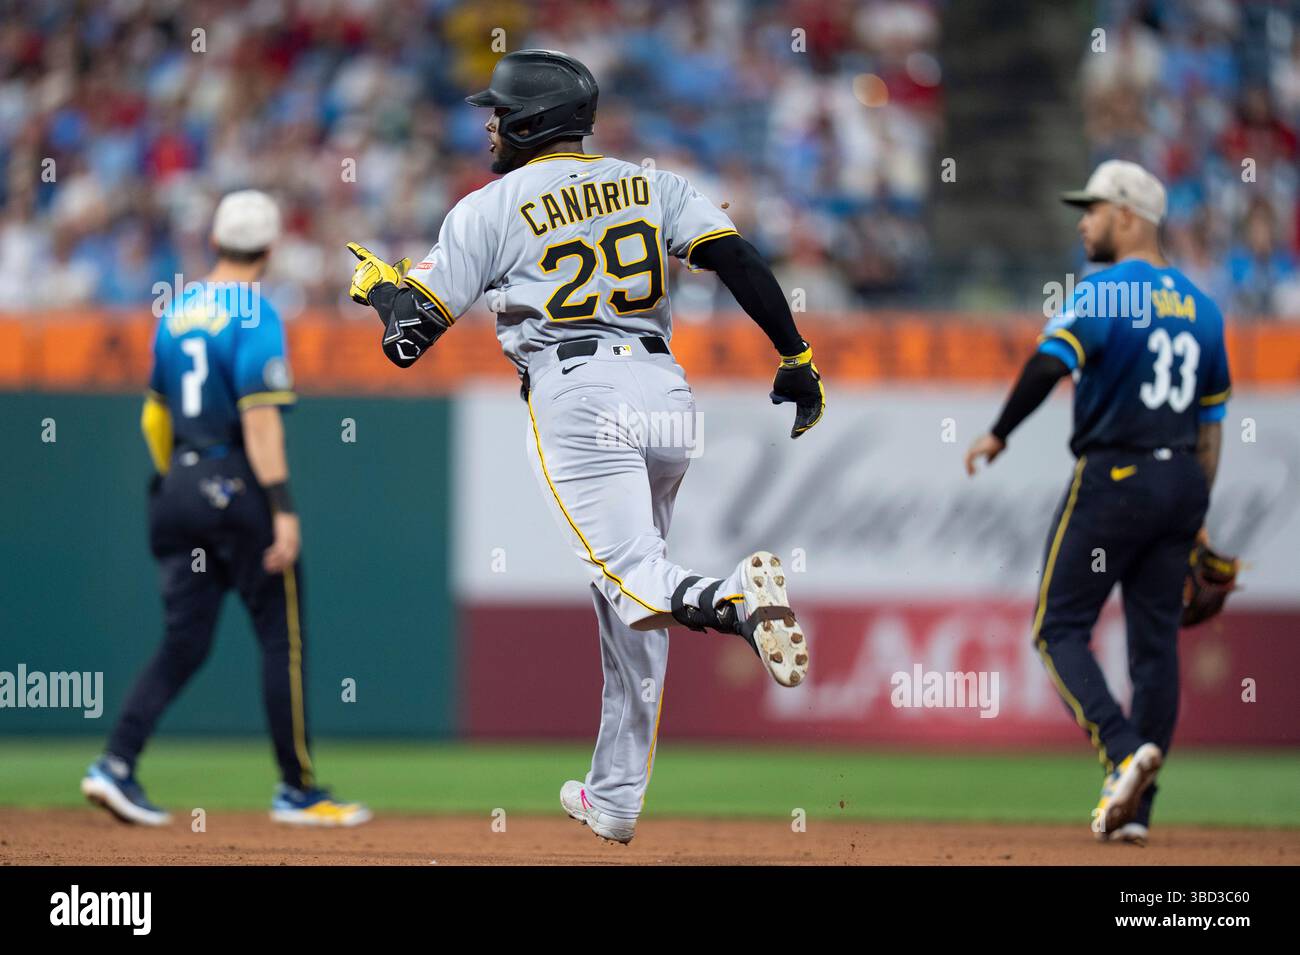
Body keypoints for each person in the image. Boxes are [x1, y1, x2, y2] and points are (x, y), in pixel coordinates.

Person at [345, 50, 825, 845]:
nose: (489, 124)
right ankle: (615, 797)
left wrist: (381, 290)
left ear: (533, 124)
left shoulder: (489, 207)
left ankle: (735, 598)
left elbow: (408, 341)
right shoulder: (651, 181)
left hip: (577, 390)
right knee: (628, 603)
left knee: (632, 578)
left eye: (499, 113)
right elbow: (736, 257)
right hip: (666, 394)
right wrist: (797, 356)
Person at [81, 190, 371, 828]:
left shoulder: (176, 310)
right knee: (280, 637)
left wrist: (178, 481)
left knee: (184, 641)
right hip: (237, 484)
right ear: (268, 249)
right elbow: (260, 419)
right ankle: (296, 789)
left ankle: (115, 763)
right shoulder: (256, 313)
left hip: (178, 484)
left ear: (214, 242)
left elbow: (153, 414)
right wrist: (284, 508)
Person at [965, 161, 1231, 845]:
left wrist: (1000, 430)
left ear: (1129, 217)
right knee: (1155, 647)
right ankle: (1138, 810)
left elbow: (1050, 361)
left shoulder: (1109, 293)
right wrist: (1195, 513)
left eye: (1095, 208)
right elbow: (1210, 428)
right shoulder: (1203, 307)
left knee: (1058, 626)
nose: (1083, 220)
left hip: (1115, 476)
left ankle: (1120, 751)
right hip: (1182, 483)